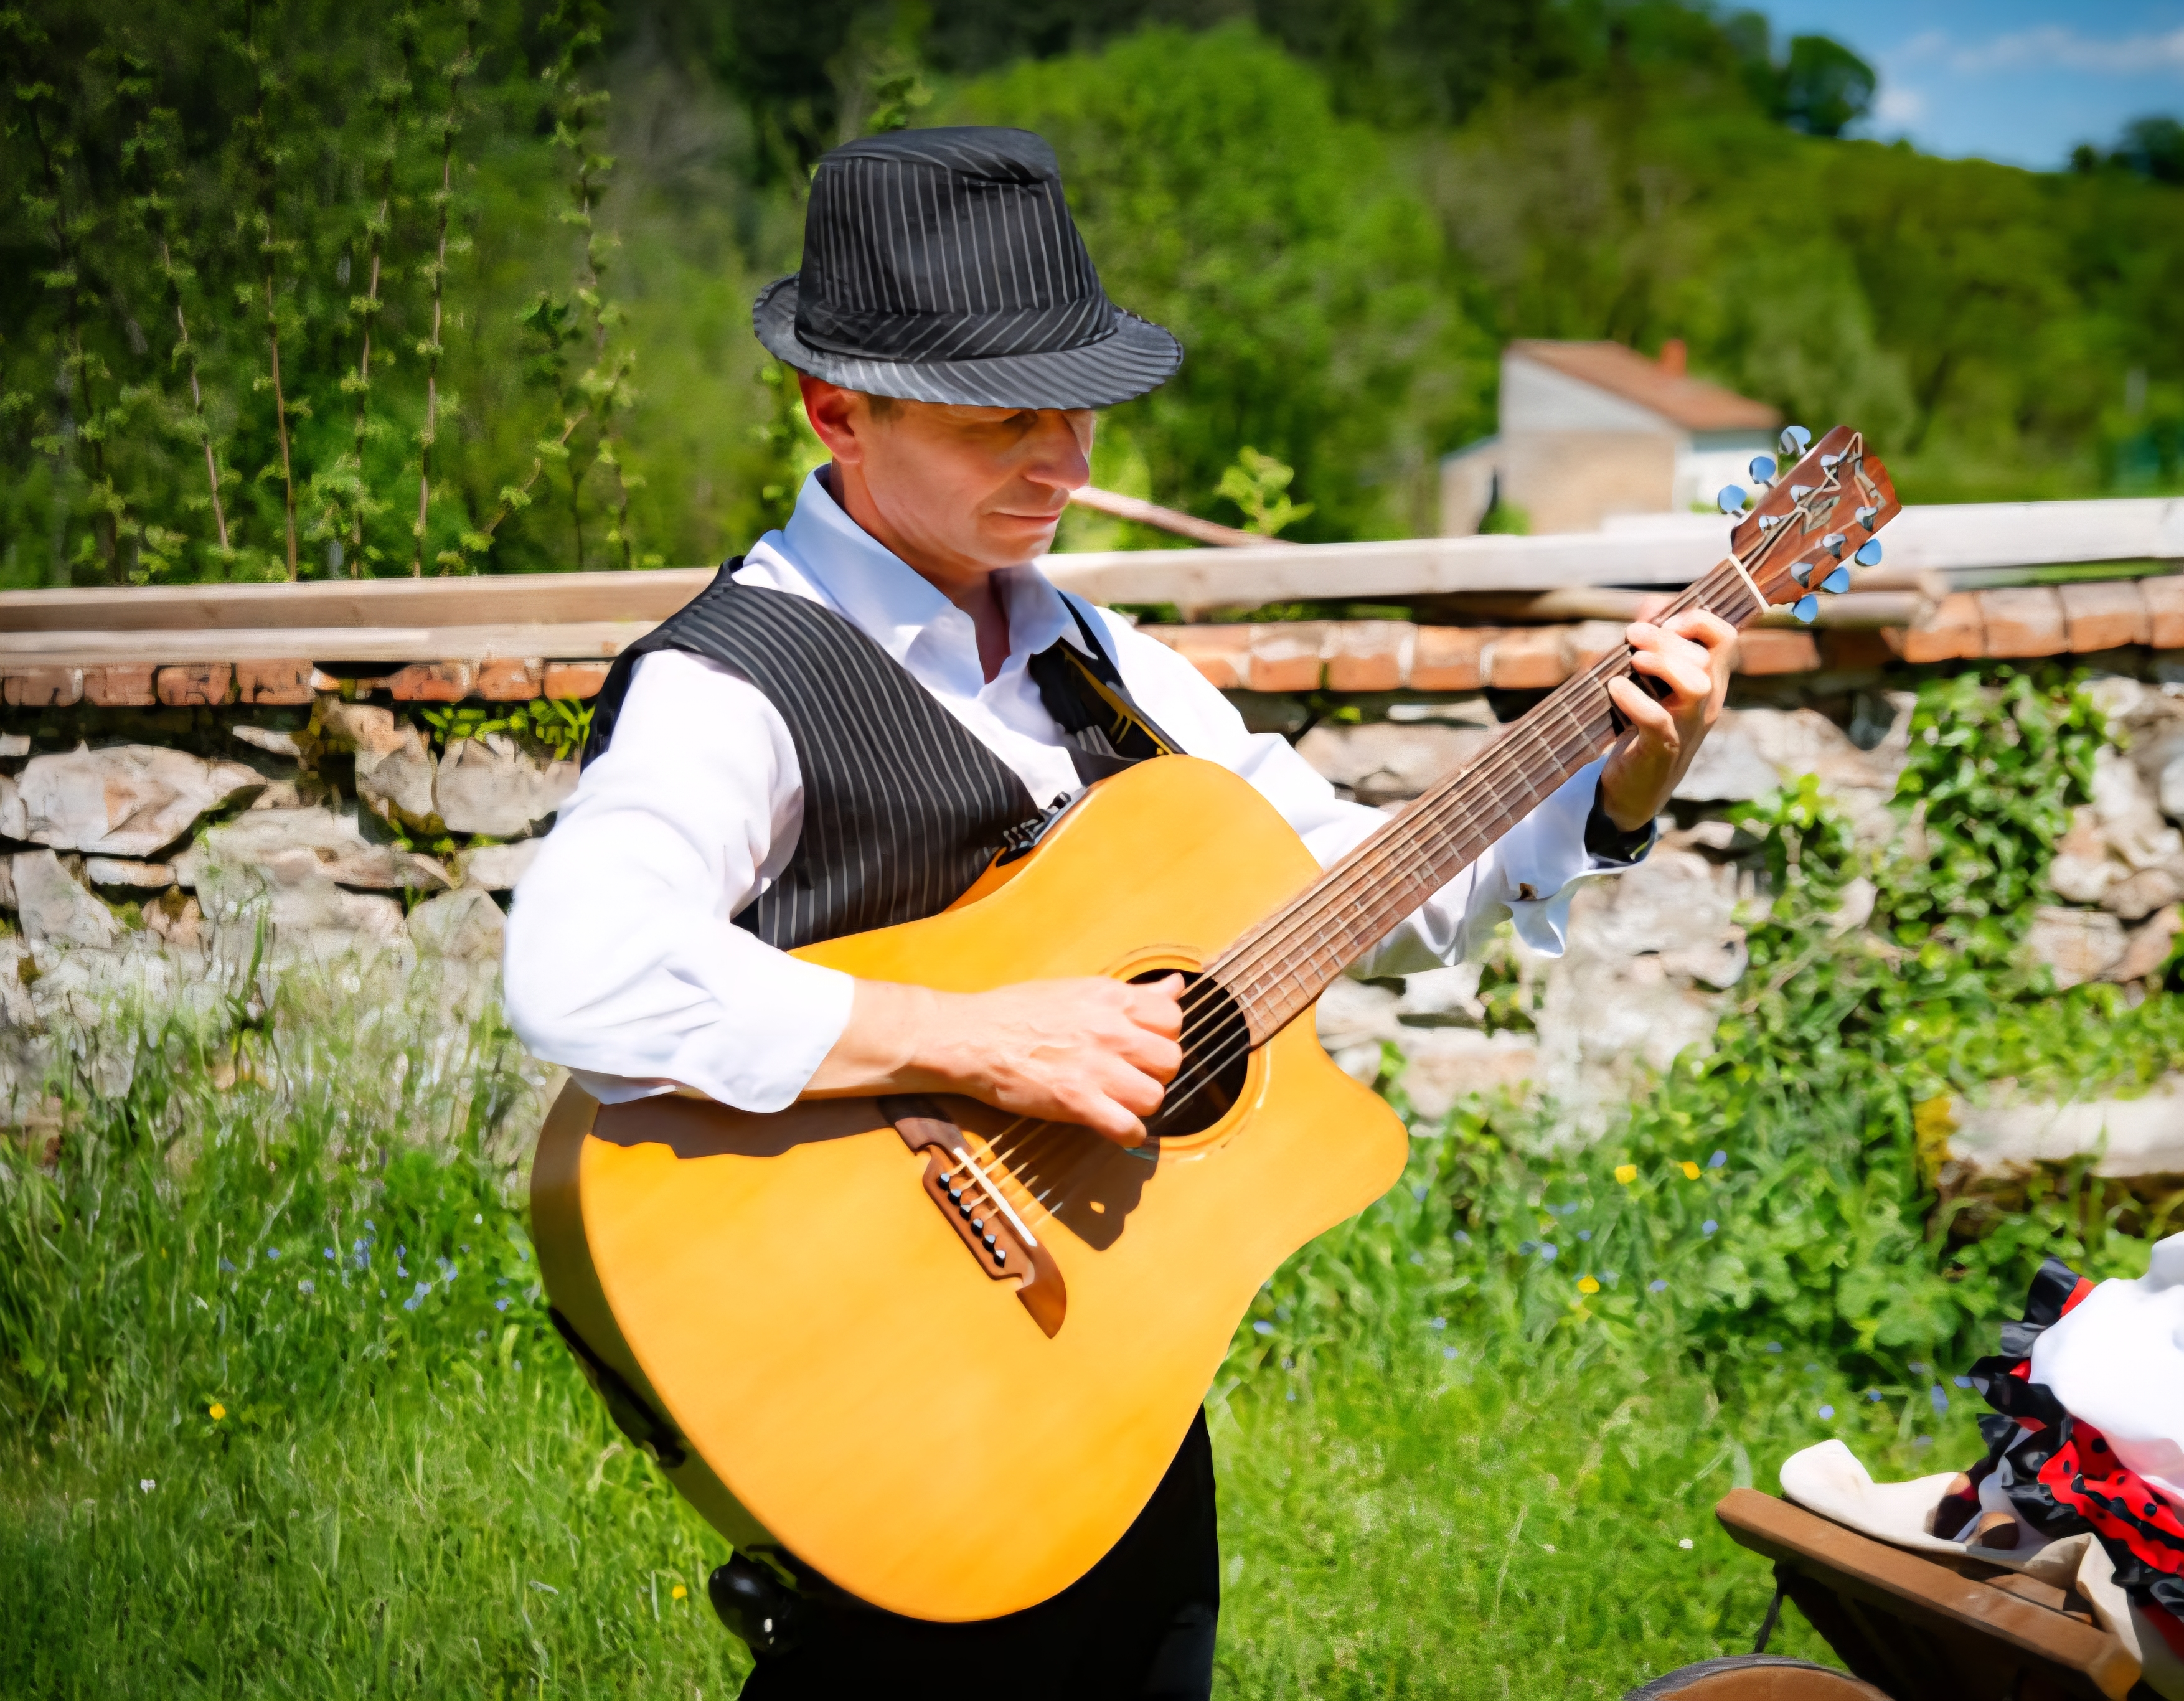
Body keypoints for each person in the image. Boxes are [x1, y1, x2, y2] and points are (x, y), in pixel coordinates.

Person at [504, 125, 1736, 1699]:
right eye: (1004, 418)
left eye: (1079, 409)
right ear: (837, 410)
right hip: (868, 1382)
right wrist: (979, 1040)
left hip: (1108, 1372)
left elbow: (1365, 890)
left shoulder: (1094, 652)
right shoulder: (728, 681)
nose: (1066, 466)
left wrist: (1616, 780)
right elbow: (576, 967)